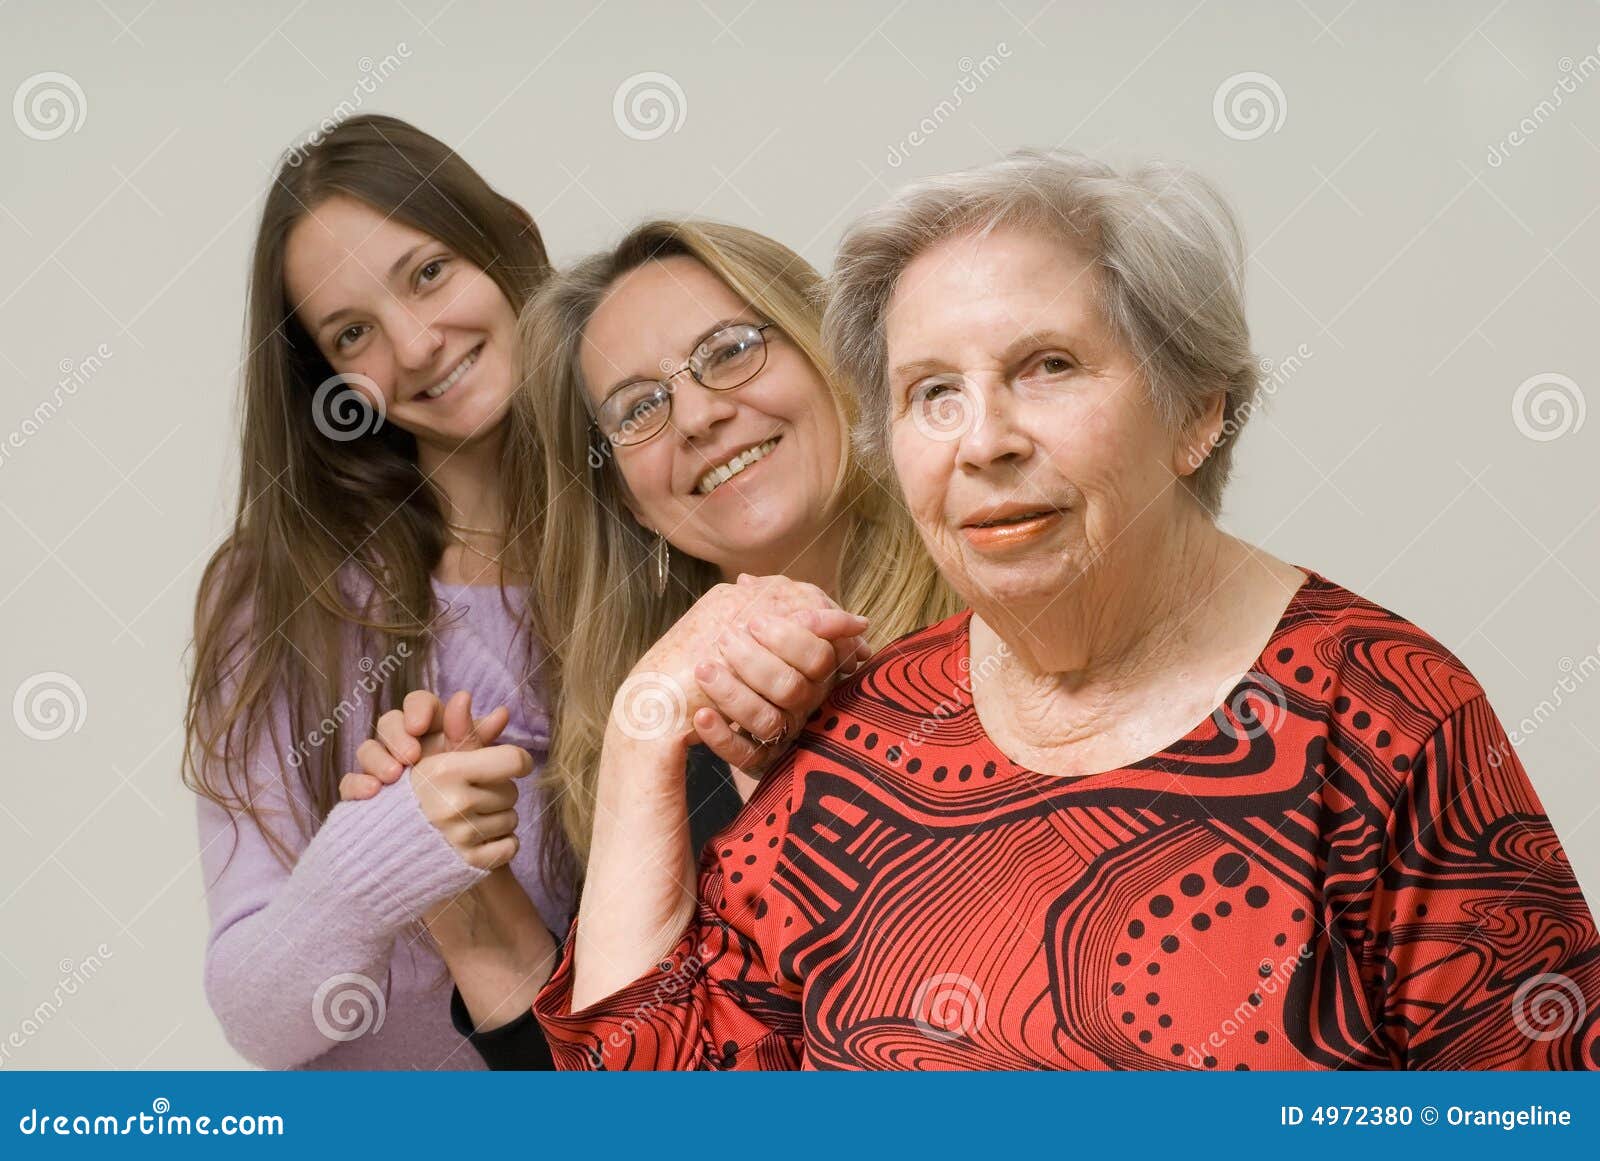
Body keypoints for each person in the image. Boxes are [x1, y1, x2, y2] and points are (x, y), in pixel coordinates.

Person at [532, 150, 1600, 1069]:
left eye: (1046, 368)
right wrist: (643, 725)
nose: (982, 440)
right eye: (931, 393)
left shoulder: (1384, 715)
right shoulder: (852, 745)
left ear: (1196, 411)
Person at [339, 219, 963, 1065]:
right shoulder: (670, 763)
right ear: (630, 501)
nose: (699, 416)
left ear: (835, 357)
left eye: (732, 349)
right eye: (639, 408)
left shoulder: (1008, 619)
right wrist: (471, 910)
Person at [183, 115, 563, 1069]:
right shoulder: (283, 596)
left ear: (509, 237)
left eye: (429, 271)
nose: (418, 342)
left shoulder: (670, 524)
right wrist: (397, 844)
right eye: (354, 331)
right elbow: (257, 1017)